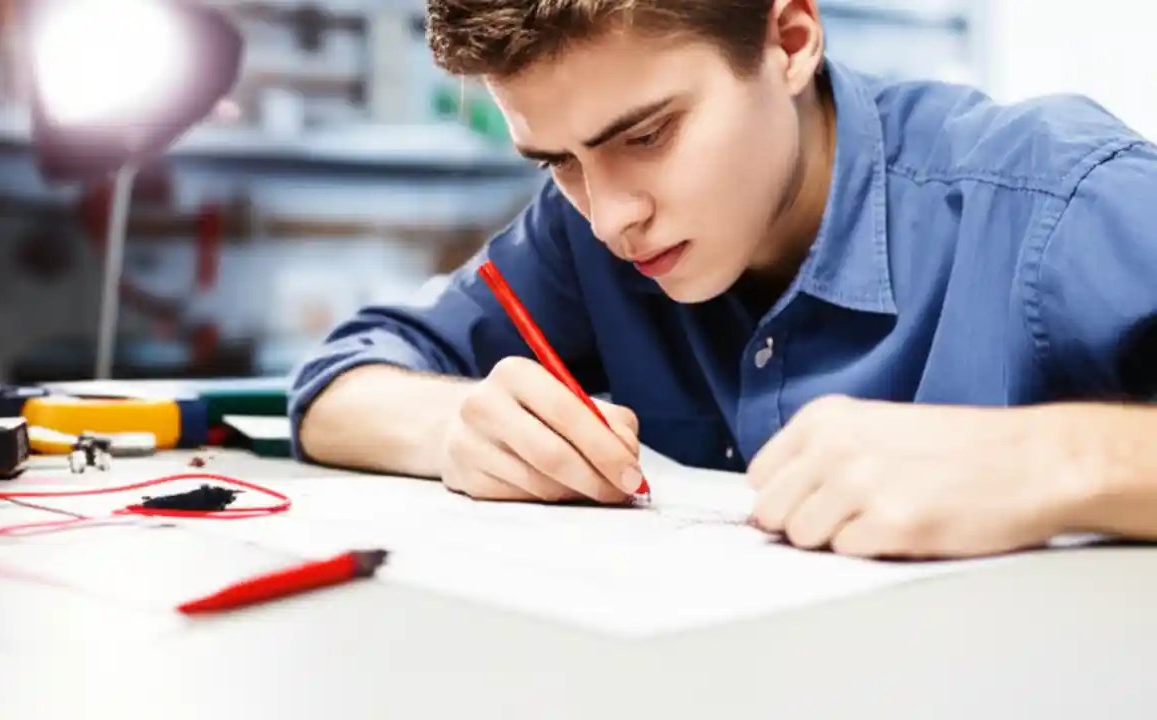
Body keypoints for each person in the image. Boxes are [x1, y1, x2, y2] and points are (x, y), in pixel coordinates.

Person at [288, 0, 1157, 558]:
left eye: (647, 136)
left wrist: (1059, 459)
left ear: (789, 42)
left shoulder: (1058, 195)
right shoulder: (584, 234)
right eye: (559, 160)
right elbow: (338, 382)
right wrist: (459, 426)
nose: (609, 218)